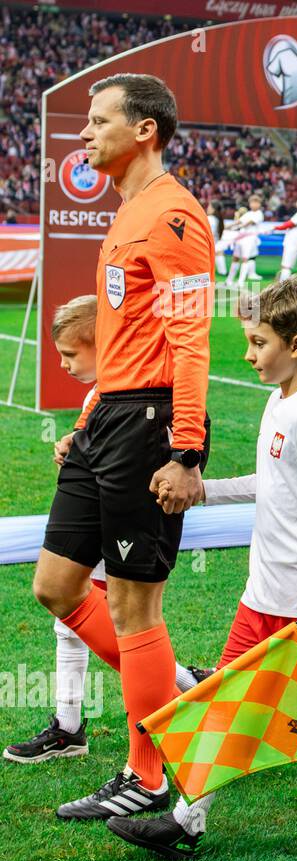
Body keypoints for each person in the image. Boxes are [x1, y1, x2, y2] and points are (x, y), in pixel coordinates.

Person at [107, 276, 297, 861]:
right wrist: (203, 490)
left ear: (296, 345)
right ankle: (188, 824)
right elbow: (273, 483)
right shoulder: (280, 400)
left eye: (257, 342)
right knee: (225, 698)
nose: (247, 355)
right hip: (263, 593)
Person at [33, 73, 214, 821]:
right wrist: (86, 418)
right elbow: (126, 342)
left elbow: (190, 339)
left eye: (98, 120)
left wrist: (188, 451)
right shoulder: (129, 211)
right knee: (56, 585)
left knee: (137, 608)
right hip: (110, 419)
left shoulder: (173, 216)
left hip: (151, 428)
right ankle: (179, 691)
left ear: (145, 130)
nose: (84, 133)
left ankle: (148, 774)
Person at [206, 203, 224, 276]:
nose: (207, 209)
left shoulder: (210, 218)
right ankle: (222, 271)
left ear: (213, 209)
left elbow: (210, 232)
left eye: (209, 207)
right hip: (215, 241)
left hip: (210, 241)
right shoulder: (217, 219)